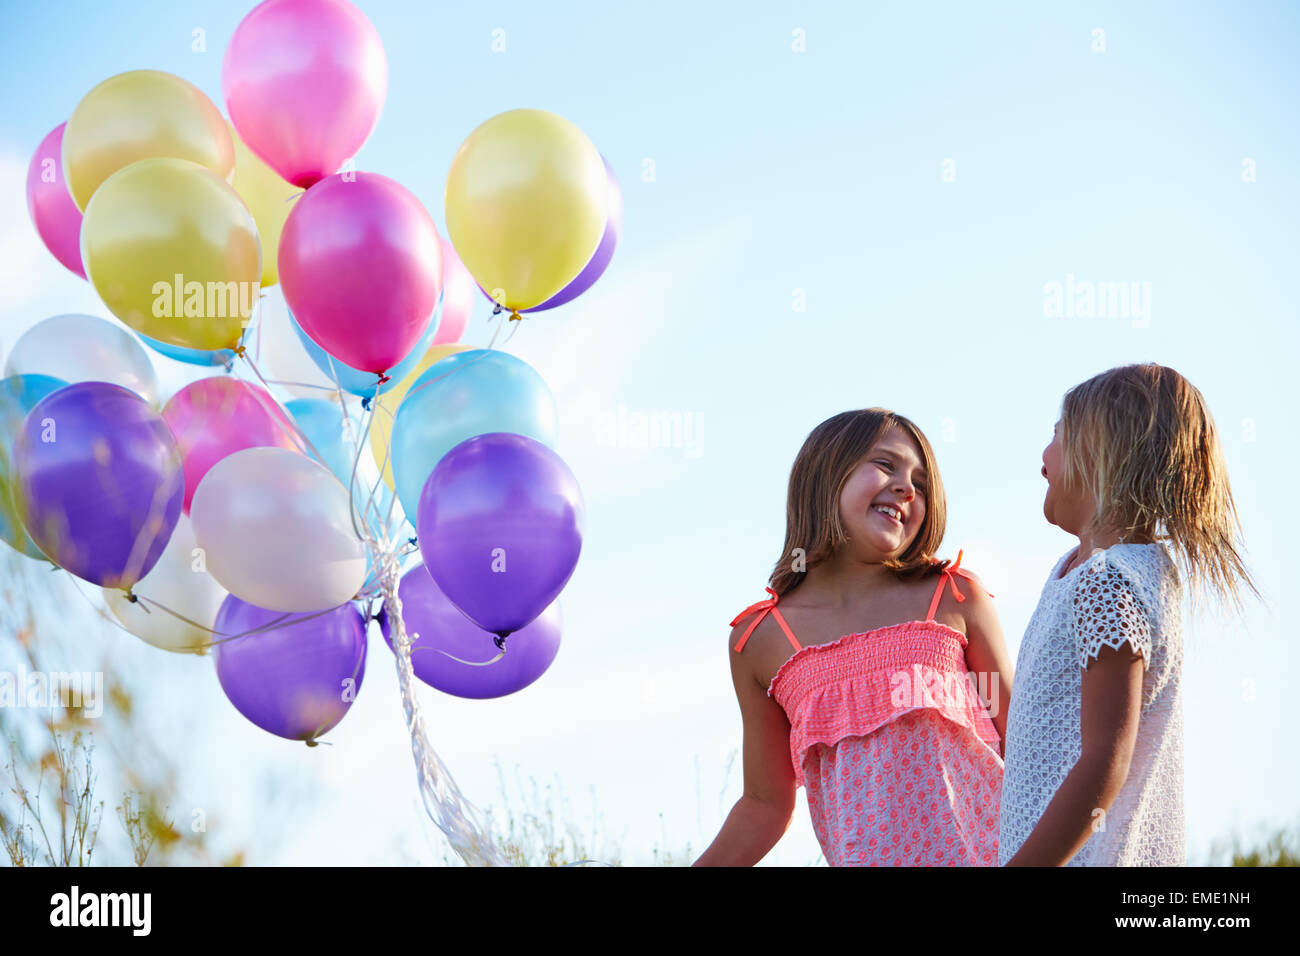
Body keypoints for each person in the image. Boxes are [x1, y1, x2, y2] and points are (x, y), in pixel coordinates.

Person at [693, 408, 1013, 866]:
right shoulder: (760, 640)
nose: (907, 487)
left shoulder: (955, 597)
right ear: (824, 476)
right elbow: (765, 804)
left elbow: (1024, 740)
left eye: (920, 484)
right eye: (885, 464)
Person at [999, 364, 1259, 866]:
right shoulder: (1082, 572)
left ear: (1100, 452)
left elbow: (1105, 759)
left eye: (1056, 436)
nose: (1042, 458)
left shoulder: (1109, 581)